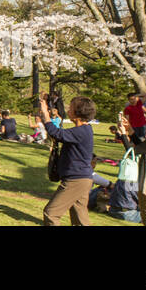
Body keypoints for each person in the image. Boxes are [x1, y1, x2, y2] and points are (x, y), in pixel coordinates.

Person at [40, 93, 97, 226]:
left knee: (51, 213)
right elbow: (59, 135)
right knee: (80, 220)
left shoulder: (82, 131)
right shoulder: (82, 130)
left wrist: (45, 115)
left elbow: (56, 134)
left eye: (70, 108)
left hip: (76, 180)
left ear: (78, 112)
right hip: (81, 179)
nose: (68, 111)